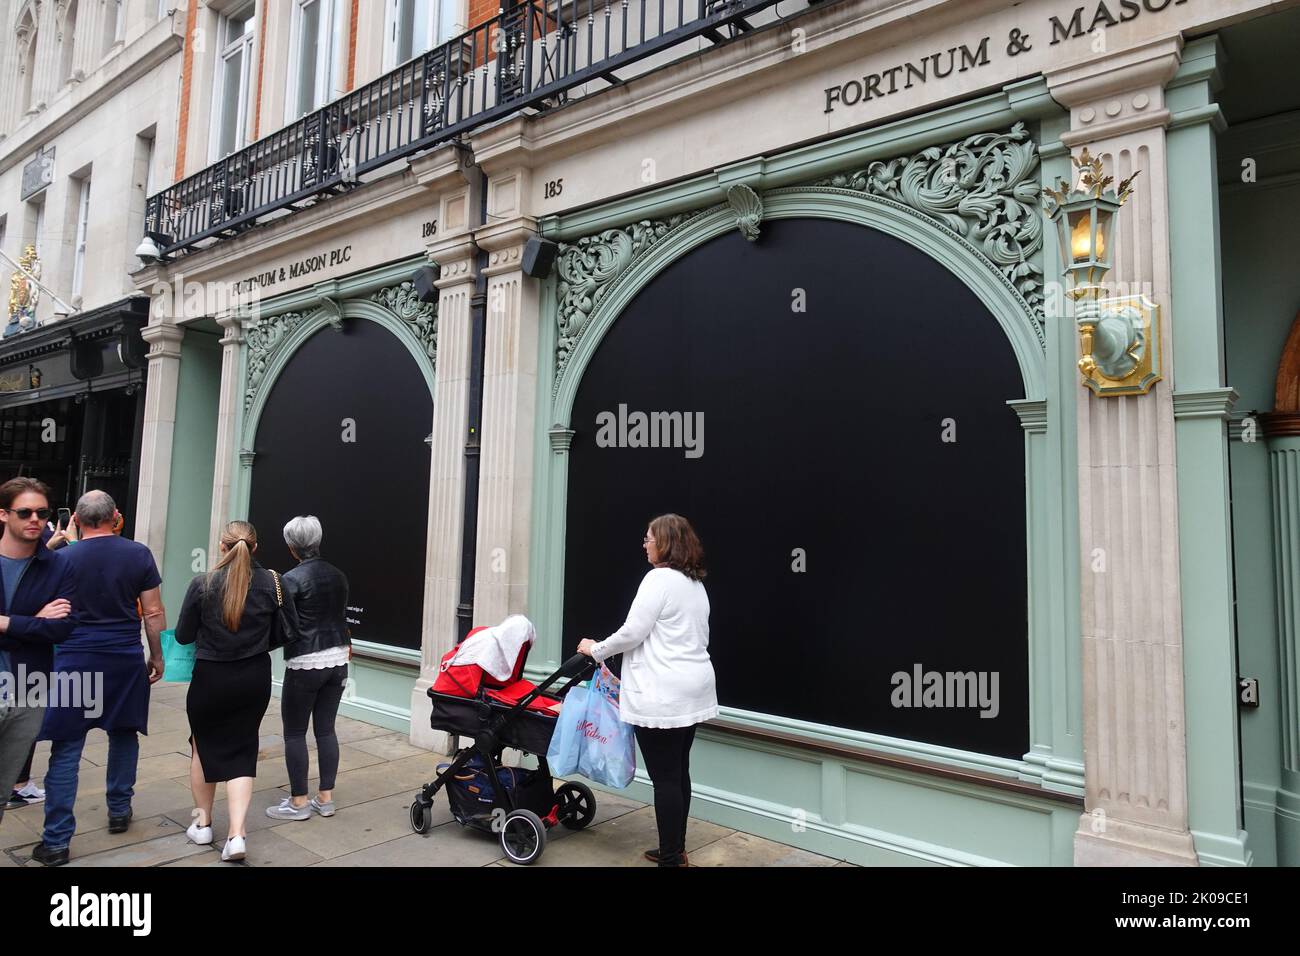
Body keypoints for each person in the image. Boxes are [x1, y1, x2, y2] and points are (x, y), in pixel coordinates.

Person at [577, 513, 717, 868]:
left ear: (666, 543)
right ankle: (675, 847)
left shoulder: (658, 580)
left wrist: (595, 649)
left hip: (663, 694)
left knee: (665, 777)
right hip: (694, 687)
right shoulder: (695, 585)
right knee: (678, 771)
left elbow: (632, 632)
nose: (645, 544)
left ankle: (671, 857)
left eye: (649, 538)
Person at [33, 491, 165, 866]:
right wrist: (155, 655)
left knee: (66, 749)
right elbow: (153, 613)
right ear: (116, 517)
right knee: (123, 734)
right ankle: (119, 810)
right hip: (123, 659)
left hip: (75, 659)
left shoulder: (61, 558)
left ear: (76, 518)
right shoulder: (138, 554)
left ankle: (56, 841)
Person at [175, 520, 279, 862]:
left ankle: (203, 824)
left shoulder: (201, 584)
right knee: (243, 747)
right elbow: (282, 633)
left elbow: (183, 636)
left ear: (222, 547)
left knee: (201, 745)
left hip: (210, 677)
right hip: (253, 676)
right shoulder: (272, 582)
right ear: (255, 549)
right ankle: (236, 836)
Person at [0, 478, 75, 835]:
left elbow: (60, 629)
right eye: (25, 512)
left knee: (2, 791)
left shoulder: (58, 566)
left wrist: (7, 623)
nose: (35, 519)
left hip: (29, 687)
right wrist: (33, 621)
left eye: (42, 513)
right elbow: (43, 627)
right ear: (3, 514)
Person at [265, 515, 351, 822]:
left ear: (291, 547)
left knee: (294, 732)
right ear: (318, 540)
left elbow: (284, 624)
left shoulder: (290, 580)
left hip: (305, 660)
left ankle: (298, 801)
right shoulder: (339, 575)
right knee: (326, 729)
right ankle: (325, 798)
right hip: (339, 657)